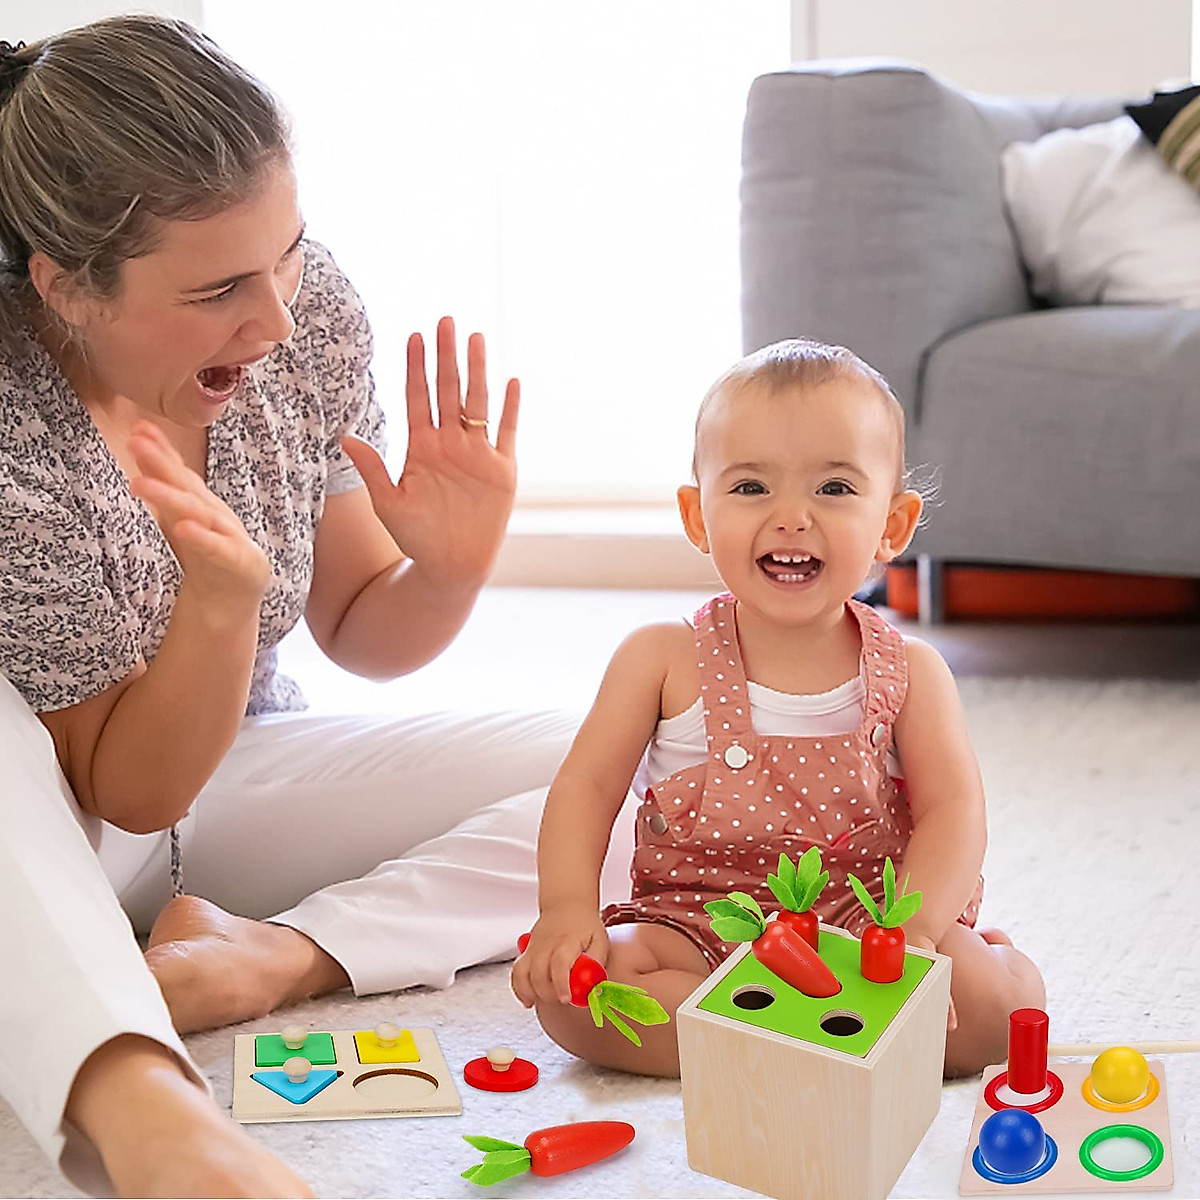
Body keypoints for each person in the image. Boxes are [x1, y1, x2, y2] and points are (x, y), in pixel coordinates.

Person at [0, 16, 632, 1198]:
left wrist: (442, 570)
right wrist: (218, 608)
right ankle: (152, 1131)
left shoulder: (304, 317)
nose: (278, 319)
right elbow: (125, 792)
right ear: (68, 289)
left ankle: (272, 959)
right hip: (55, 826)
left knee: (654, 758)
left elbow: (357, 623)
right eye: (221, 288)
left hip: (243, 776)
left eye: (286, 252)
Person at [511, 338, 1047, 1079]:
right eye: (751, 488)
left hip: (866, 933)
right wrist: (567, 908)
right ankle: (806, 1042)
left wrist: (915, 932)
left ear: (892, 527)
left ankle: (983, 970)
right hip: (698, 928)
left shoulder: (912, 671)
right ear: (697, 517)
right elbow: (585, 789)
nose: (792, 517)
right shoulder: (660, 658)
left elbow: (957, 810)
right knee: (582, 1002)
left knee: (996, 1017)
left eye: (833, 489)